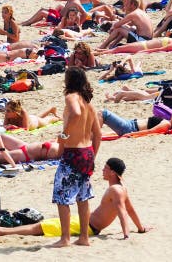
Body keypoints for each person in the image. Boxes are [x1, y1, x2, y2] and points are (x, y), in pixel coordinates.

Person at [0, 157, 149, 240]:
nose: (102, 170)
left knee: (41, 227)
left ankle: (0, 232)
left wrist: (126, 235)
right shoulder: (122, 188)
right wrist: (140, 228)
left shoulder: (115, 190)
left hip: (86, 227)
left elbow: (123, 212)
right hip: (85, 223)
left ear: (113, 172)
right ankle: (1, 230)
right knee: (45, 224)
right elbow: (131, 210)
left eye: (106, 168)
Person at [52, 67, 102, 247]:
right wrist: (92, 156)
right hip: (87, 152)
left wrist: (63, 136)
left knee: (61, 195)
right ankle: (84, 238)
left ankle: (65, 238)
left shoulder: (71, 97)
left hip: (73, 152)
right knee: (83, 197)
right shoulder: (89, 103)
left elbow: (75, 113)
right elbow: (98, 135)